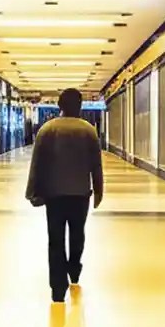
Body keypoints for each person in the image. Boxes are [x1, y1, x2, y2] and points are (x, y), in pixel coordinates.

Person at [25, 88, 104, 303]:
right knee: (77, 233)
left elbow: (37, 163)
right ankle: (74, 269)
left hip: (54, 195)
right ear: (79, 106)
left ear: (60, 105)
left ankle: (57, 289)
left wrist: (32, 190)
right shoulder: (88, 130)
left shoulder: (47, 129)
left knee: (55, 240)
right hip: (80, 194)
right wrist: (98, 191)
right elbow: (96, 165)